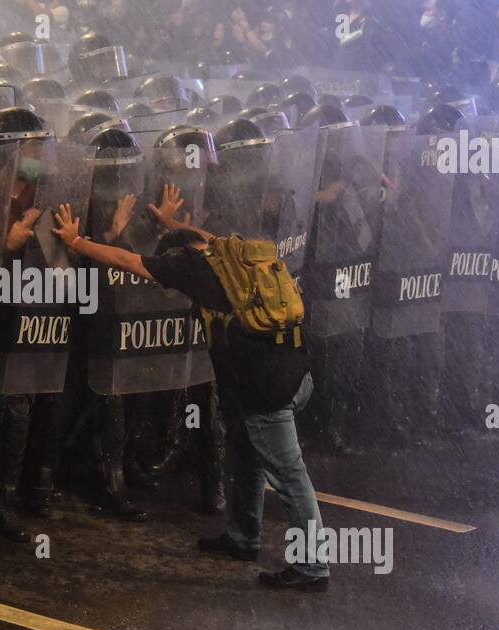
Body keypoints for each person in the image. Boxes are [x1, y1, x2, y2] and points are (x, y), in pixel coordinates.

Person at [50, 186, 330, 591]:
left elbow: (127, 260)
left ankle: (313, 564)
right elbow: (196, 235)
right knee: (246, 454)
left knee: (289, 474)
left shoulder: (189, 269)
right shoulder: (232, 250)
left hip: (262, 386)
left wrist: (77, 241)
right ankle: (242, 537)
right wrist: (171, 222)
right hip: (294, 370)